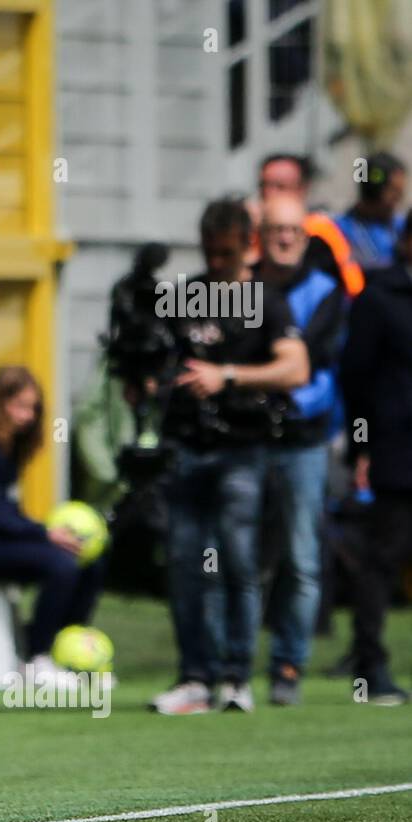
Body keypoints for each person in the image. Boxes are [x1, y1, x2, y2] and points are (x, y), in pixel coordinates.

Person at [150, 199, 309, 716]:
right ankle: (195, 676)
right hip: (187, 449)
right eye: (209, 253)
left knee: (239, 561)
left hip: (242, 448)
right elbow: (158, 362)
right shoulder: (185, 295)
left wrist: (228, 376)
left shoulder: (267, 299)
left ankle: (238, 677)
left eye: (226, 253)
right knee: (183, 562)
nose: (216, 263)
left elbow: (296, 369)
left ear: (248, 246)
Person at [0, 366, 104, 682]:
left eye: (33, 409)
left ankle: (63, 647)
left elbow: (7, 516)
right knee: (61, 566)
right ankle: (36, 659)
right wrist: (45, 534)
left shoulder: (8, 449)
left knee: (87, 563)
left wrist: (46, 535)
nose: (27, 416)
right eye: (20, 406)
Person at [253, 195, 347, 705]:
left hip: (304, 441)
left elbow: (313, 365)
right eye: (275, 230)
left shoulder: (326, 291)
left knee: (301, 559)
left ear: (305, 239)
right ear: (260, 235)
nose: (285, 238)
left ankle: (288, 666)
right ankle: (227, 668)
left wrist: (262, 386)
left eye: (293, 230)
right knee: (231, 558)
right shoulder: (238, 288)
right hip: (243, 440)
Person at [337, 217, 412, 705]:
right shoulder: (379, 296)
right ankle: (370, 667)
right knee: (382, 558)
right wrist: (361, 449)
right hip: (396, 449)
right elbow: (355, 375)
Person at [253, 153, 364, 295]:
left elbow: (353, 287)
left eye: (280, 186)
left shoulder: (320, 232)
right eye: (264, 185)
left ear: (301, 190)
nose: (269, 193)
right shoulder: (248, 228)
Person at [334, 151, 407, 272]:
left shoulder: (401, 228)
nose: (399, 199)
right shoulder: (340, 230)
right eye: (395, 192)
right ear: (373, 190)